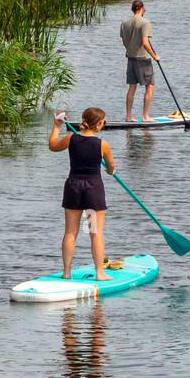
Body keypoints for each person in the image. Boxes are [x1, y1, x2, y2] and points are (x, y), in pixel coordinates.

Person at [49, 107, 116, 281]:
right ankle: (100, 273)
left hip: (73, 188)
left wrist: (56, 126)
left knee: (71, 232)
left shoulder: (71, 138)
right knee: (95, 232)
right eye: (104, 122)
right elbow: (111, 168)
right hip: (93, 191)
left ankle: (66, 272)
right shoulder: (102, 144)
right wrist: (110, 171)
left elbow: (53, 146)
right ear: (99, 124)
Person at [119, 0, 159, 122]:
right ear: (142, 8)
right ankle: (145, 116)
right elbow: (145, 43)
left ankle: (128, 116)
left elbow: (124, 40)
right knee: (150, 86)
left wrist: (130, 49)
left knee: (132, 87)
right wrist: (155, 56)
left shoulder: (124, 22)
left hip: (130, 58)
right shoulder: (145, 22)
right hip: (143, 59)